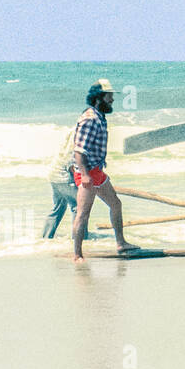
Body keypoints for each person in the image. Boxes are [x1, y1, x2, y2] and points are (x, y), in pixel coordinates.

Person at [71, 80, 138, 262]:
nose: (112, 99)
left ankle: (121, 243)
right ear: (99, 98)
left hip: (96, 171)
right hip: (87, 173)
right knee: (83, 213)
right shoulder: (89, 119)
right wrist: (84, 175)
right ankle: (77, 255)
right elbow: (78, 150)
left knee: (116, 204)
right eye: (109, 96)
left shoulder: (99, 116)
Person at [41, 129, 78, 239]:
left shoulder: (67, 141)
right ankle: (79, 238)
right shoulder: (76, 141)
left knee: (57, 208)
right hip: (65, 178)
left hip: (54, 176)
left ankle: (46, 237)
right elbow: (72, 166)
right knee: (78, 207)